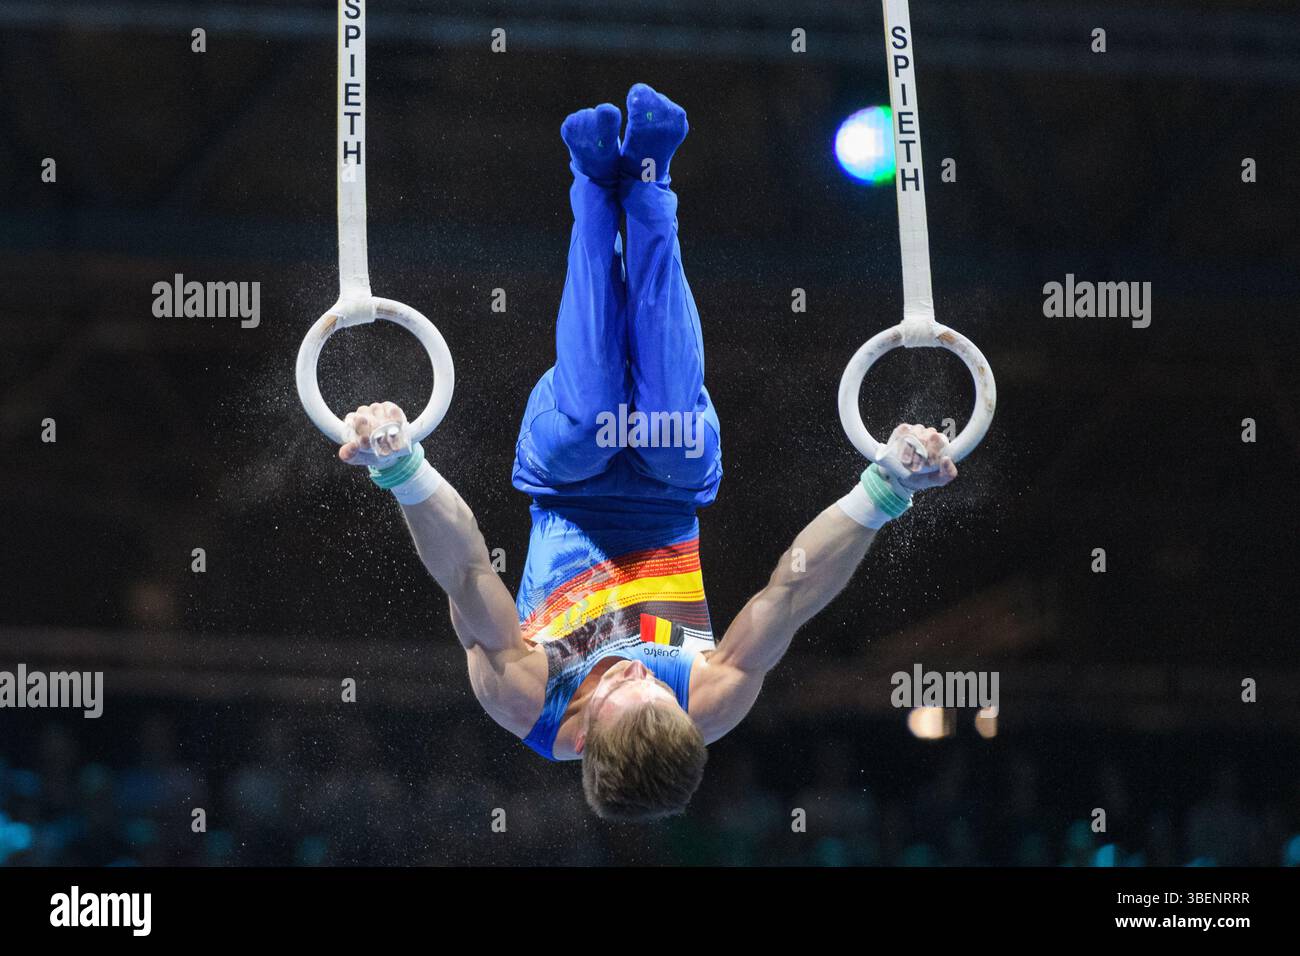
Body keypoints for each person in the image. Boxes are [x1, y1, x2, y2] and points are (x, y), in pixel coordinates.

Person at [337, 84, 957, 822]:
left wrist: (402, 466)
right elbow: (790, 594)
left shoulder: (523, 697)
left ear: (589, 733)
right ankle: (650, 182)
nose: (637, 669)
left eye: (624, 687)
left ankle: (594, 187)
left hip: (564, 480)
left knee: (593, 411)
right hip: (672, 486)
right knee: (671, 414)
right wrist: (888, 486)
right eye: (659, 688)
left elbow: (467, 570)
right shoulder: (709, 702)